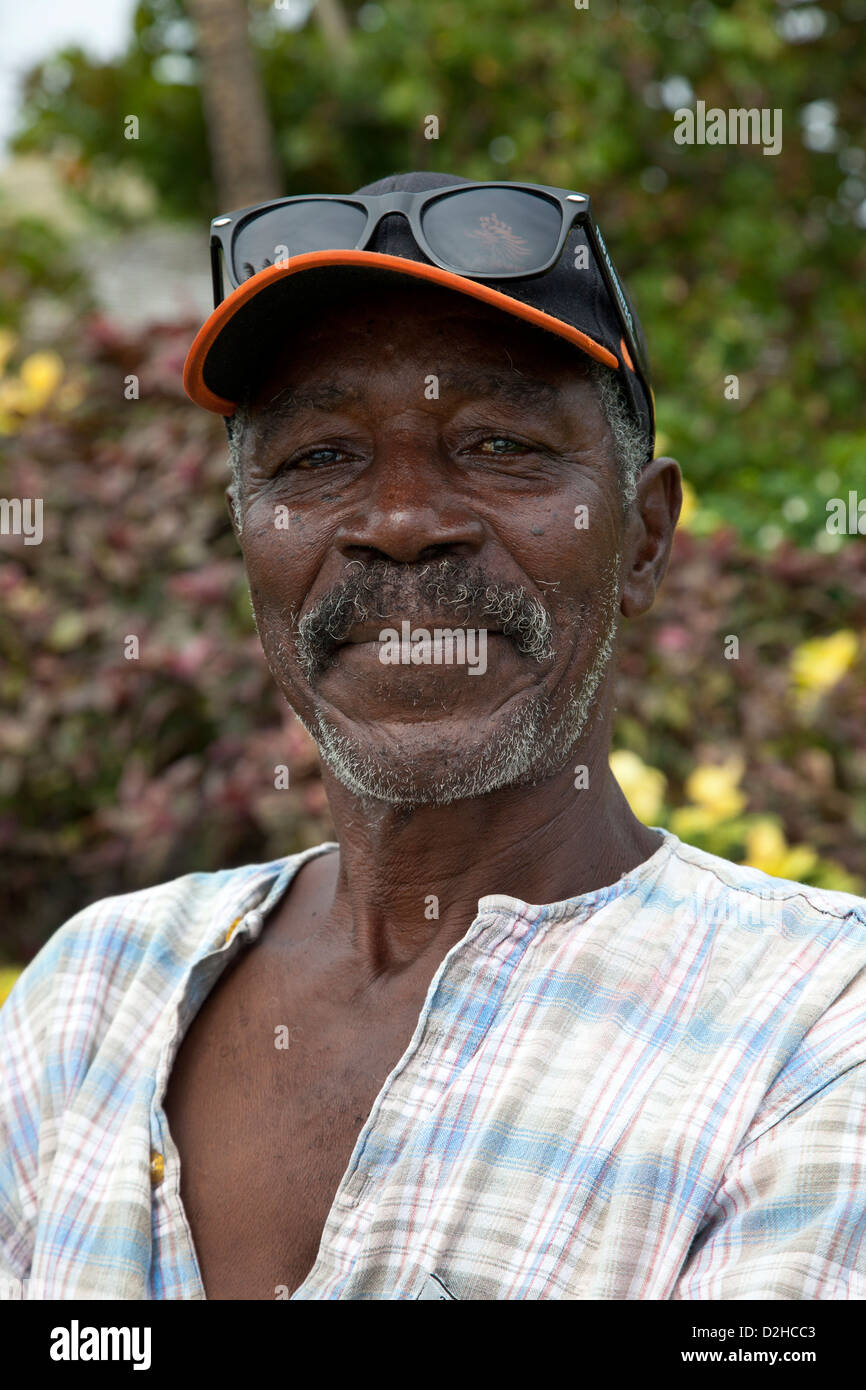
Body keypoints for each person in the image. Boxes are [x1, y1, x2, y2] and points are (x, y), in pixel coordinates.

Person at [2, 172, 864, 1301]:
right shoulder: (93, 992)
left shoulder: (812, 1028)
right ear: (247, 542)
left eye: (499, 443)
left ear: (643, 539)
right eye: (318, 457)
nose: (402, 522)